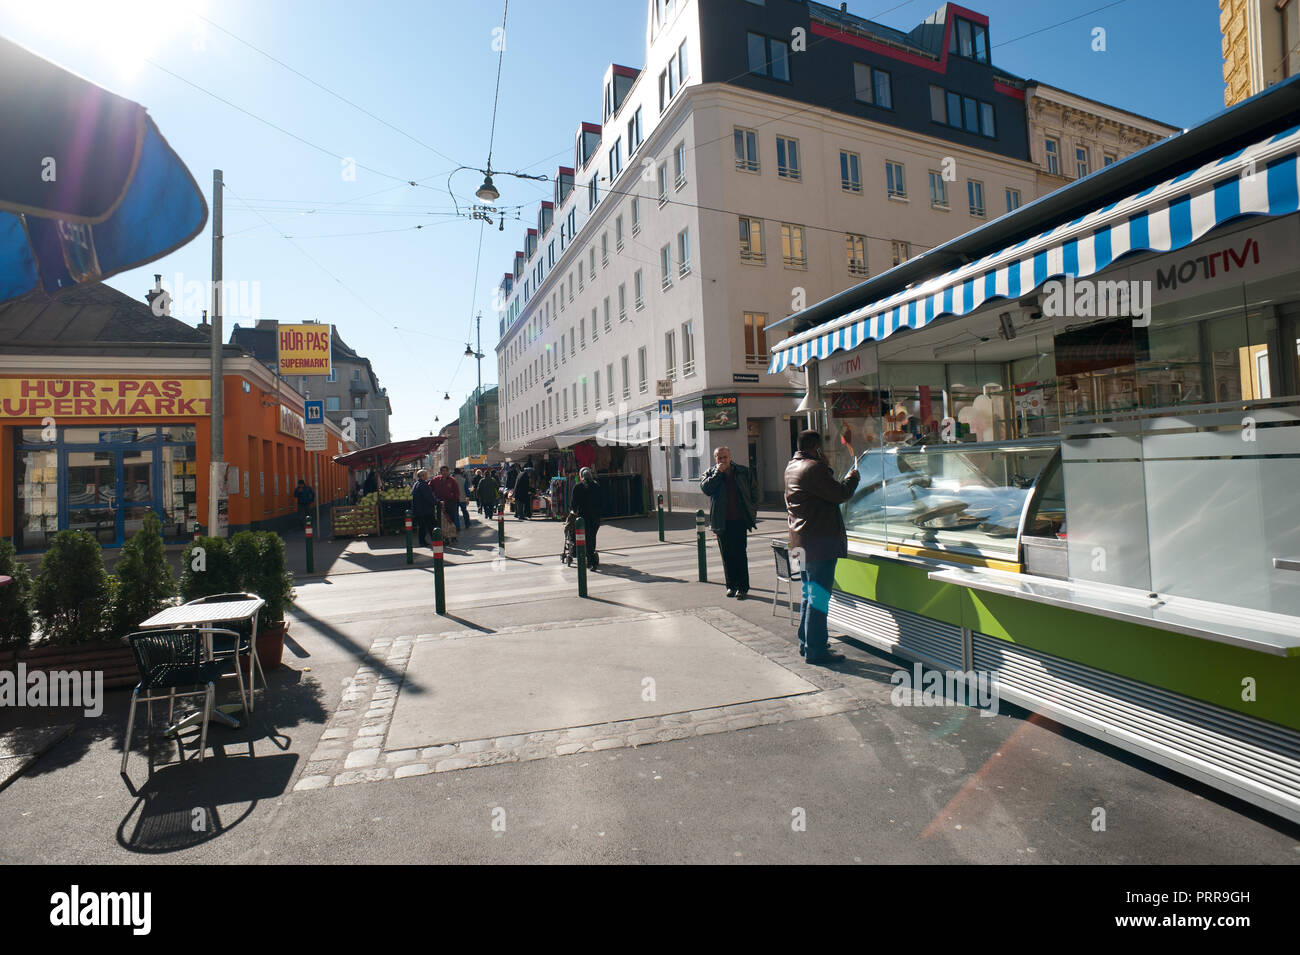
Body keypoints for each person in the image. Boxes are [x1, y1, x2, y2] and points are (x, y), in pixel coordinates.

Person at [784, 430, 860, 666]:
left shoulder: (791, 466)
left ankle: (806, 642)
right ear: (816, 447)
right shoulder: (813, 468)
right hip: (819, 543)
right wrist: (853, 477)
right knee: (818, 598)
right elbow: (840, 493)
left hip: (801, 542)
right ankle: (816, 650)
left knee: (809, 595)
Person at [699, 446, 757, 599]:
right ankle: (731, 586)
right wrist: (718, 473)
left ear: (730, 457)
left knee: (740, 554)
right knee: (727, 555)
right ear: (715, 459)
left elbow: (754, 491)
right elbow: (706, 489)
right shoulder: (711, 473)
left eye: (725, 457)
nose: (722, 460)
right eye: (719, 458)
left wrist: (752, 510)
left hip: (739, 520)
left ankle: (742, 587)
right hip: (721, 521)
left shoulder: (742, 471)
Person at [569, 467, 602, 570]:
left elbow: (573, 504)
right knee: (591, 537)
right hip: (595, 517)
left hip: (583, 518)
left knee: (585, 538)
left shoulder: (578, 487)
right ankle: (590, 557)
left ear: (581, 476)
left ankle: (591, 560)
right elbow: (602, 501)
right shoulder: (596, 486)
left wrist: (573, 511)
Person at [431, 465, 460, 542]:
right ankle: (444, 537)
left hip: (451, 503)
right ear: (440, 472)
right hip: (440, 504)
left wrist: (454, 499)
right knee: (441, 521)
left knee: (451, 520)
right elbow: (430, 489)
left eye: (446, 471)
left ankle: (453, 536)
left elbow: (457, 492)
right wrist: (435, 499)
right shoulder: (435, 480)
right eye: (443, 471)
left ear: (448, 472)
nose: (444, 472)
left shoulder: (452, 480)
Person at [411, 469, 438, 547]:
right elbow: (428, 497)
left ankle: (422, 541)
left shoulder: (416, 484)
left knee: (422, 526)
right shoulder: (423, 485)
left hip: (419, 509)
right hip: (425, 509)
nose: (427, 476)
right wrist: (436, 502)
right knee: (431, 525)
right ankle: (435, 539)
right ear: (423, 476)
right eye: (426, 475)